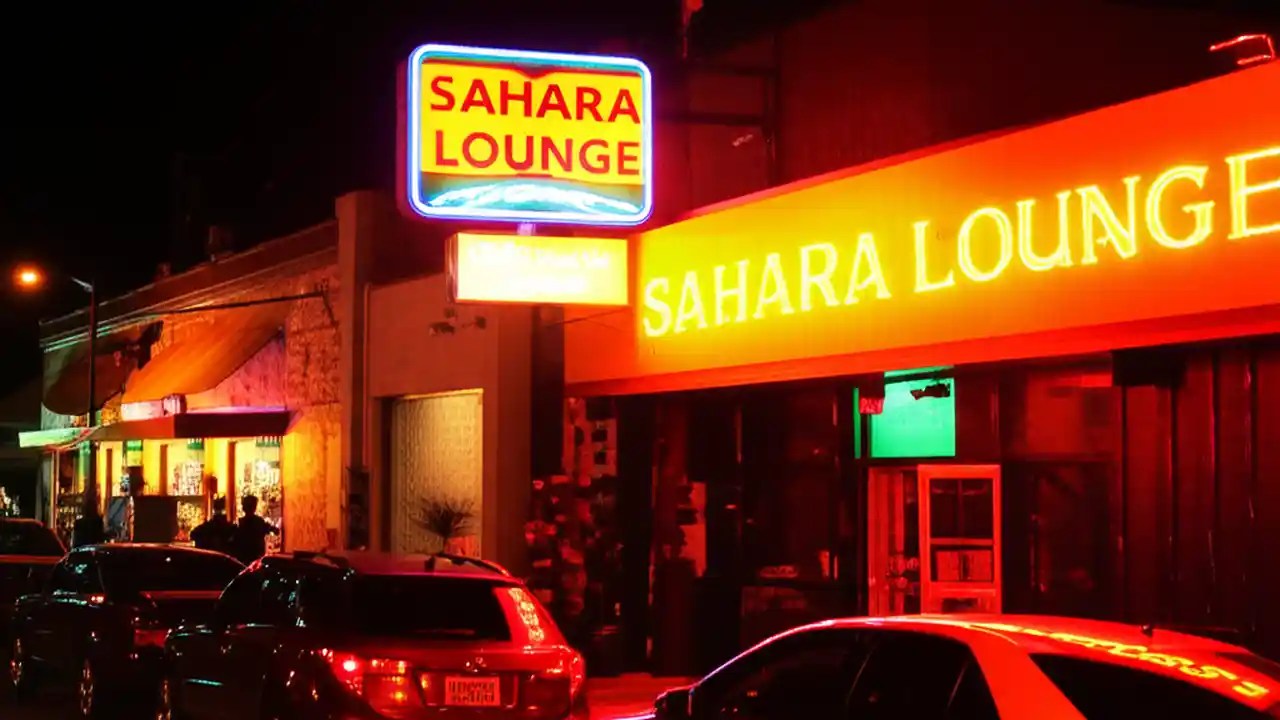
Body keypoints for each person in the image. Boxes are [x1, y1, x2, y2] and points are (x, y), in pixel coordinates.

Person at [232, 495, 279, 564]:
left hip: (247, 557)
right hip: (253, 557)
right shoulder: (258, 522)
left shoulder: (241, 523)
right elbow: (273, 530)